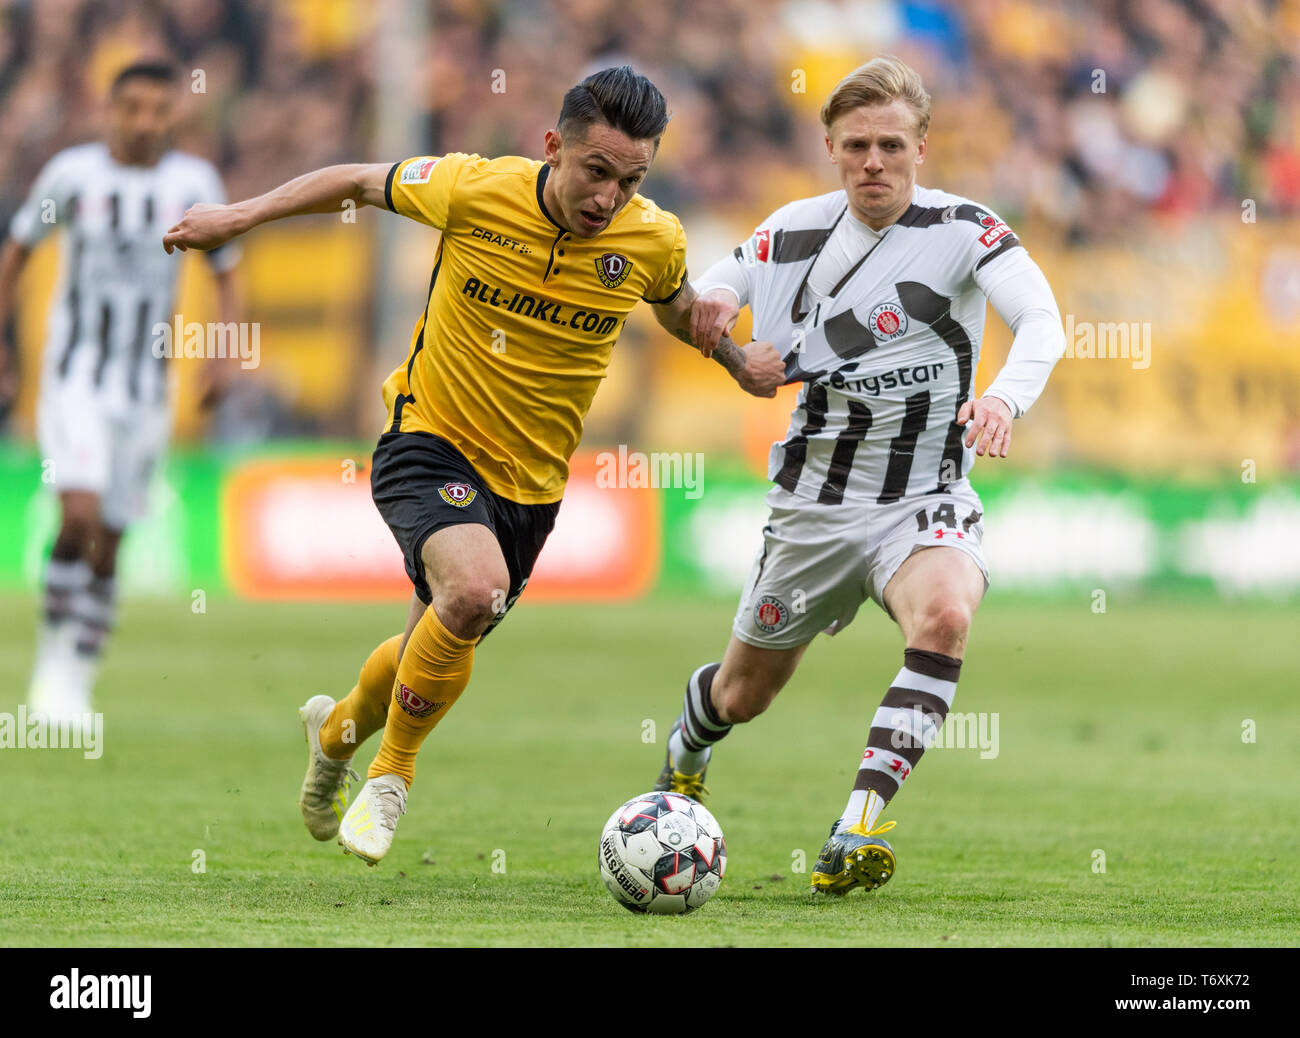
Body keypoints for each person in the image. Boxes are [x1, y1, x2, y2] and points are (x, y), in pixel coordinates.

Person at [162, 65, 786, 866]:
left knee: (440, 633)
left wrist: (734, 361)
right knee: (472, 590)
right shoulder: (472, 189)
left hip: (532, 484)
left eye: (631, 180)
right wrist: (237, 217)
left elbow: (671, 302)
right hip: (431, 437)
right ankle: (392, 776)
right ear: (552, 147)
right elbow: (357, 180)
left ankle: (335, 734)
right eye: (596, 173)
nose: (609, 199)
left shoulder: (652, 238)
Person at [652, 56, 1067, 895]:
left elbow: (1042, 322)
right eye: (856, 146)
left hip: (926, 494)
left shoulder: (968, 231)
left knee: (946, 615)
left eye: (889, 144)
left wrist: (1003, 402)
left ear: (922, 145)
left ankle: (857, 830)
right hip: (815, 506)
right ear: (832, 148)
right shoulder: (793, 231)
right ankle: (684, 758)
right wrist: (723, 326)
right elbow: (716, 286)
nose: (873, 162)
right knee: (742, 695)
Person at [0, 62, 240, 724]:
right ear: (109, 110)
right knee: (76, 515)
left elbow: (225, 265)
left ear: (173, 115)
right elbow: (18, 249)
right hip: (75, 375)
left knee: (111, 537)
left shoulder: (193, 183)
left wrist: (223, 354)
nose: (143, 121)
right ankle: (53, 666)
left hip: (146, 386)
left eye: (157, 110)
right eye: (130, 107)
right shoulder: (72, 176)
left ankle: (79, 673)